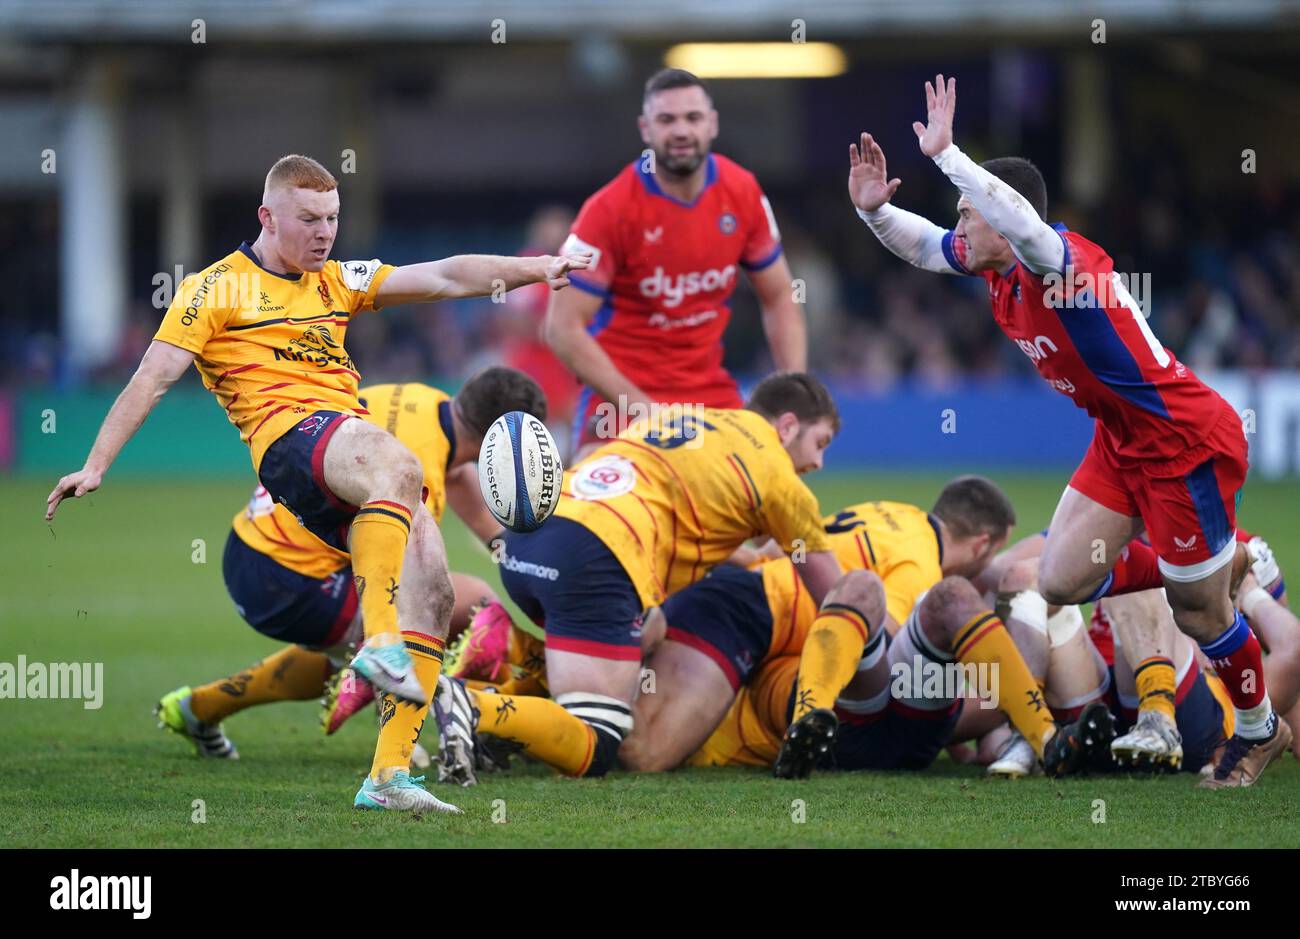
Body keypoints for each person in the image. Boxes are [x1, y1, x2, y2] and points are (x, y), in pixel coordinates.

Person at [45, 154, 589, 814]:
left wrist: (537, 268)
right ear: (267, 217)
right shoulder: (215, 289)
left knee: (434, 586)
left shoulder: (338, 279)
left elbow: (447, 275)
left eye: (332, 218)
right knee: (402, 465)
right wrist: (97, 462)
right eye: (308, 219)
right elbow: (153, 376)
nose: (324, 232)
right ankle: (379, 644)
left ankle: (387, 777)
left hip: (341, 453)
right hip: (289, 443)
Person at [848, 74, 1289, 787]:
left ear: (1005, 216)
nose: (960, 226)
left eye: (969, 213)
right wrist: (874, 213)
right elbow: (928, 247)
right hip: (1121, 439)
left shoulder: (1059, 264)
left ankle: (1259, 726)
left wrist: (950, 156)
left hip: (1182, 443)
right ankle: (1218, 561)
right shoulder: (991, 269)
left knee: (1201, 616)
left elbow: (1022, 222)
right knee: (1059, 576)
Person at [436, 372, 844, 781]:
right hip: (596, 562)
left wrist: (753, 560)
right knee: (599, 739)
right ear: (788, 426)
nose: (818, 463)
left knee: (652, 626)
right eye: (820, 443)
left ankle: (506, 654)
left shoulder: (679, 419)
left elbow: (654, 499)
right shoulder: (782, 482)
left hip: (532, 536)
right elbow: (835, 599)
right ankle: (475, 708)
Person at [153, 369, 544, 755]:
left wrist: (511, 548)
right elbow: (396, 579)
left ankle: (198, 708)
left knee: (355, 643)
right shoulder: (419, 474)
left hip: (249, 547)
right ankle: (415, 731)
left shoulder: (424, 401)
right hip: (294, 580)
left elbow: (458, 475)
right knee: (460, 605)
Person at [546, 68, 806, 459]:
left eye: (693, 118)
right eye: (667, 120)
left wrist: (793, 393)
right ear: (645, 129)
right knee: (596, 513)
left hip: (709, 393)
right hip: (621, 401)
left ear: (712, 124)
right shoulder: (608, 210)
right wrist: (644, 412)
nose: (681, 131)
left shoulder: (743, 192)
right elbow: (561, 328)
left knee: (765, 499)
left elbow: (780, 296)